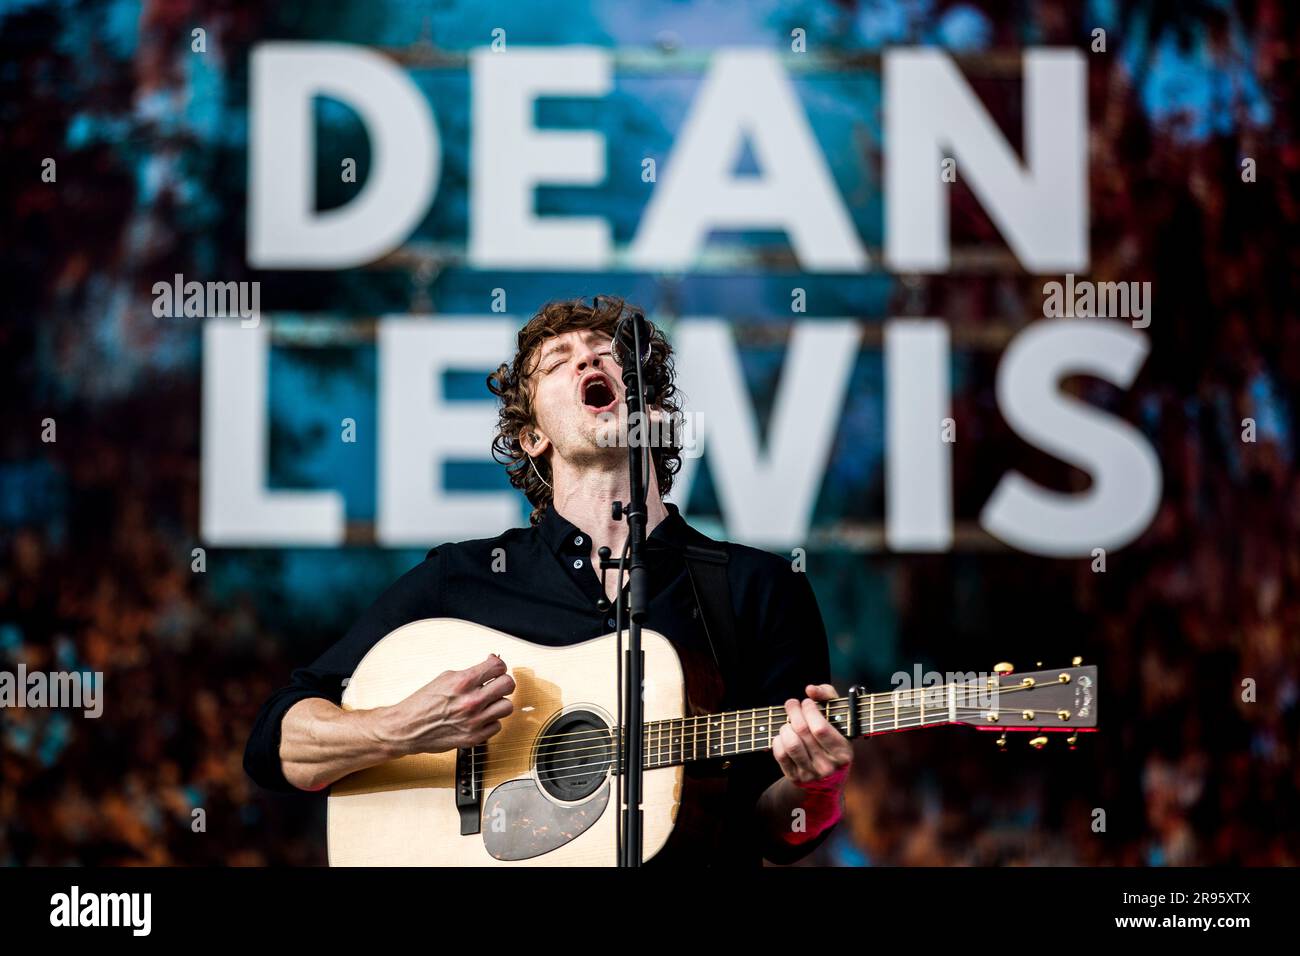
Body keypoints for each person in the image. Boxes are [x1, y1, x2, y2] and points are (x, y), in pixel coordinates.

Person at [243, 295, 851, 865]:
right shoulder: (460, 583)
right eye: (558, 361)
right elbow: (277, 742)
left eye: (610, 353)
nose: (589, 356)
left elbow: (778, 831)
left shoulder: (759, 588)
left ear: (655, 413)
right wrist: (400, 728)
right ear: (532, 435)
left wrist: (819, 789)